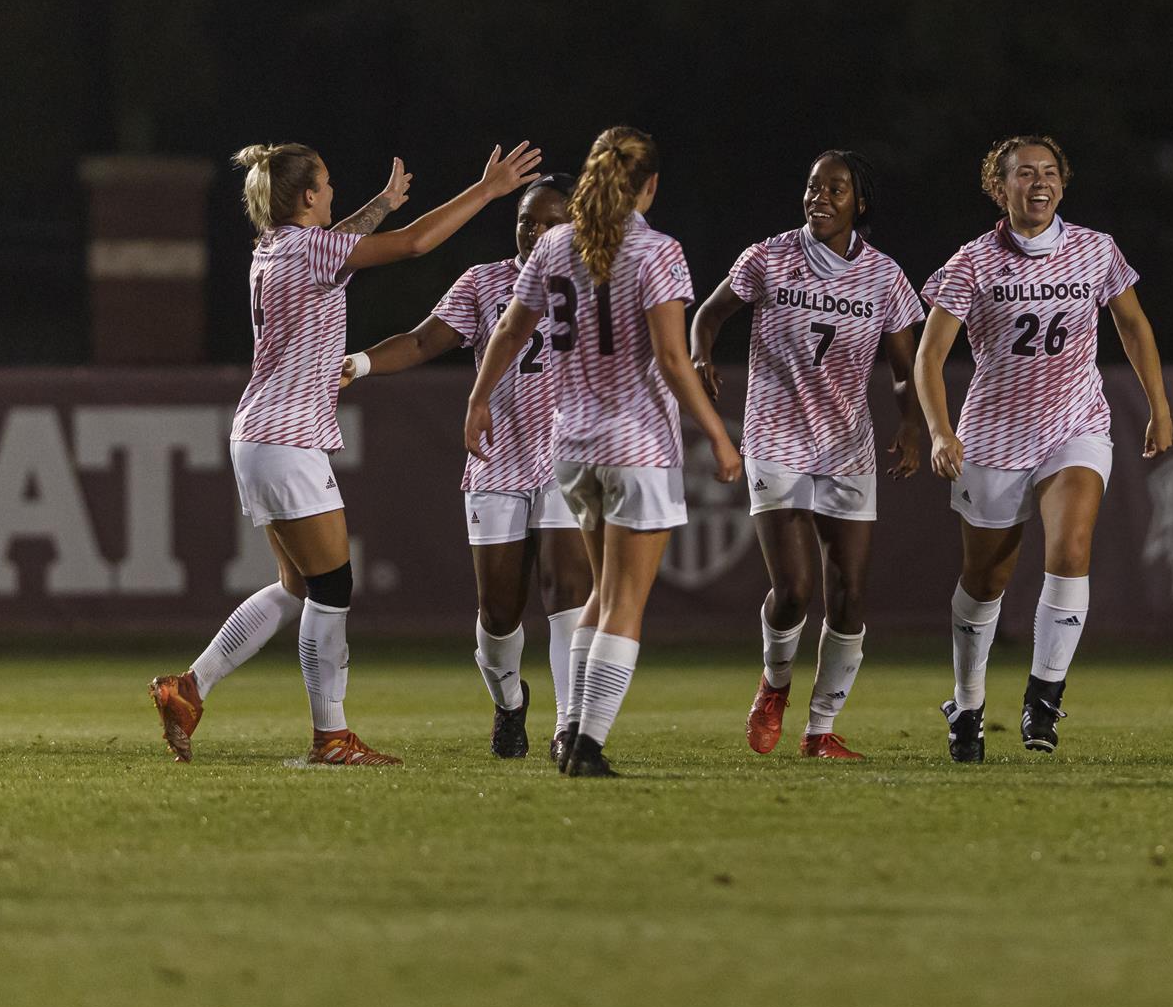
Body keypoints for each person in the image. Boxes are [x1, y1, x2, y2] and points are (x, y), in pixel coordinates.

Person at [150, 138, 545, 765]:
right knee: (333, 587)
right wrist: (487, 190)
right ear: (308, 196)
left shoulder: (274, 248)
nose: (334, 193)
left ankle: (189, 687)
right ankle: (330, 737)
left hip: (258, 434)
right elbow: (415, 244)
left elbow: (346, 244)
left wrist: (380, 204)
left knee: (295, 585)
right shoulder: (310, 250)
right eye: (327, 184)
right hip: (287, 438)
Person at [464, 126, 743, 777]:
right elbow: (673, 361)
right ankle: (585, 743)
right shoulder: (655, 251)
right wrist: (719, 434)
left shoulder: (555, 244)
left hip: (569, 445)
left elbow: (509, 327)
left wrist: (478, 398)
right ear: (648, 186)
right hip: (634, 443)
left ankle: (567, 727)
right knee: (623, 599)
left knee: (597, 595)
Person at [914, 134, 1173, 762]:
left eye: (1050, 172)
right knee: (985, 581)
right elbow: (930, 355)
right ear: (998, 188)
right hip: (994, 433)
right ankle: (968, 702)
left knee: (1072, 546)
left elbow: (1133, 323)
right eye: (1023, 173)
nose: (1039, 182)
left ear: (1063, 182)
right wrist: (940, 430)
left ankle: (1044, 696)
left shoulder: (1095, 249)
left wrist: (1159, 406)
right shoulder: (972, 263)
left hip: (1074, 423)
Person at [340, 175, 592, 765]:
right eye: (528, 220)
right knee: (498, 614)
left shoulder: (599, 284)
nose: (536, 232)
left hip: (569, 458)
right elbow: (425, 342)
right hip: (497, 458)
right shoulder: (484, 282)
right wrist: (361, 361)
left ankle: (570, 725)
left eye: (552, 222)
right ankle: (509, 700)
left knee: (566, 593)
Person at [689, 151, 926, 760]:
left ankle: (819, 730)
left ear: (860, 203)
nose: (819, 196)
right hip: (776, 438)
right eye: (813, 186)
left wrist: (911, 423)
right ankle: (774, 686)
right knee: (793, 589)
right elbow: (708, 316)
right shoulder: (768, 257)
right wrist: (701, 353)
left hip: (847, 445)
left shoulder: (885, 278)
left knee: (848, 597)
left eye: (836, 188)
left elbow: (906, 371)